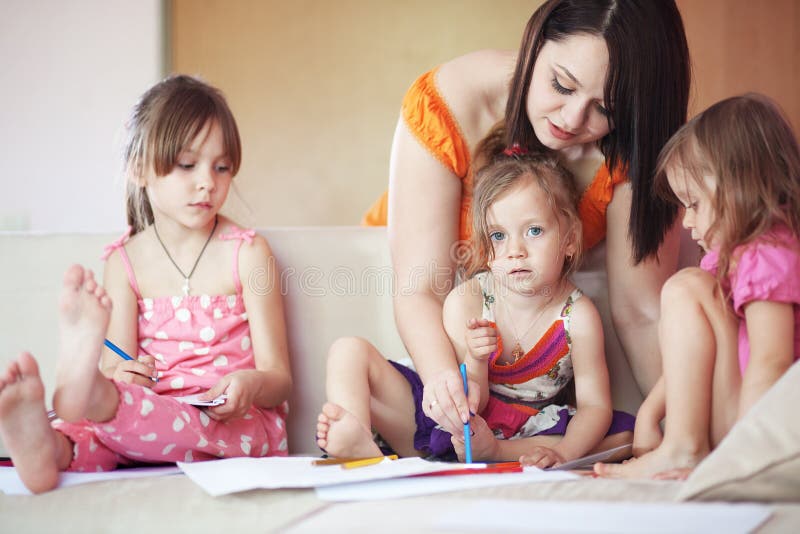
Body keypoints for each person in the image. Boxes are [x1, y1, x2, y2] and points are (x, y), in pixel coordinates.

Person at [362, 0, 691, 440]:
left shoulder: (634, 145)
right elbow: (420, 287)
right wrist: (449, 386)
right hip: (438, 322)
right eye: (561, 84)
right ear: (536, 40)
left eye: (605, 110)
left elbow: (640, 311)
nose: (572, 120)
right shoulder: (452, 101)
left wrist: (686, 434)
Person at [0, 75, 292, 494]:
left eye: (222, 167)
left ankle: (91, 401)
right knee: (97, 425)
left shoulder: (247, 253)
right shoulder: (124, 261)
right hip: (143, 414)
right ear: (139, 169)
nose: (207, 181)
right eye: (187, 165)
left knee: (117, 411)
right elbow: (118, 361)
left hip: (233, 427)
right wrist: (122, 372)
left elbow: (279, 377)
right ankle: (47, 447)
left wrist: (252, 385)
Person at [317, 153, 633, 465]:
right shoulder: (468, 301)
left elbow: (595, 406)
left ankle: (496, 454)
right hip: (448, 421)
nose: (515, 251)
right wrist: (476, 359)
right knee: (348, 351)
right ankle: (357, 440)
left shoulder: (577, 317)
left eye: (534, 231)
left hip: (524, 432)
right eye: (498, 235)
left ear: (570, 240)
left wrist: (563, 454)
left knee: (624, 437)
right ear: (485, 243)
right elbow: (465, 403)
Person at [594, 94, 800, 479]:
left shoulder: (768, 252)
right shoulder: (734, 257)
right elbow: (691, 353)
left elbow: (771, 361)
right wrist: (651, 413)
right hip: (749, 419)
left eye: (693, 203)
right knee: (690, 285)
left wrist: (745, 456)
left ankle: (684, 449)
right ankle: (682, 445)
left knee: (686, 287)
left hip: (770, 429)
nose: (687, 222)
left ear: (740, 188)